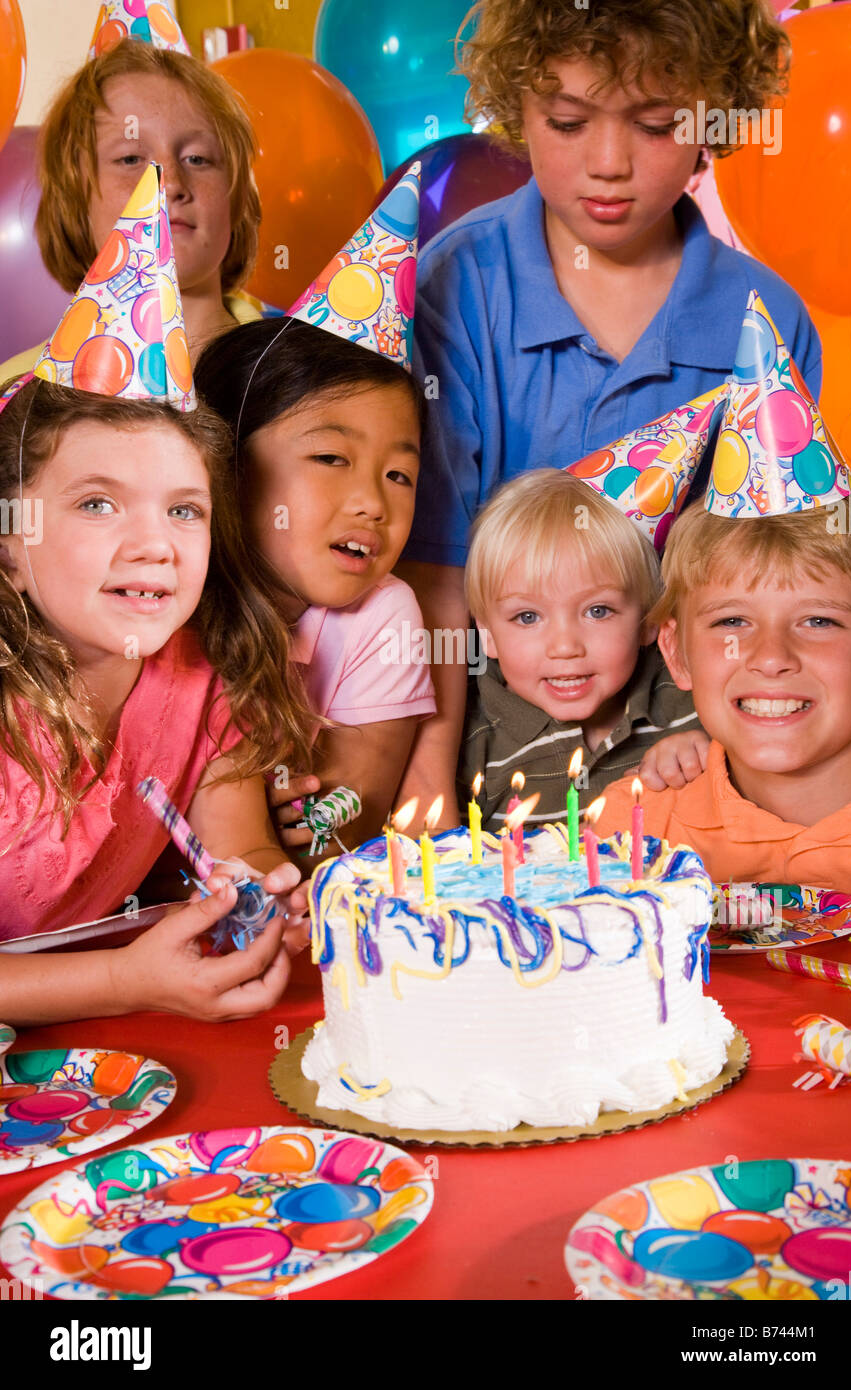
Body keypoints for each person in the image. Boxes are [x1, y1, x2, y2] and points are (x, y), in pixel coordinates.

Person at [396, 0, 822, 829]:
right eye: (567, 120)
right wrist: (427, 766)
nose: (608, 163)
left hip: (694, 730)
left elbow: (773, 578)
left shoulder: (766, 317)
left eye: (656, 124)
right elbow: (437, 575)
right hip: (492, 715)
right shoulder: (460, 285)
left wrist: (722, 744)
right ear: (518, 105)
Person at [0, 377, 313, 1026]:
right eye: (96, 504)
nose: (155, 544)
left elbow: (241, 850)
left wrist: (263, 896)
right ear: (8, 548)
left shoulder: (204, 677)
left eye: (183, 510)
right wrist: (123, 979)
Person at [195, 317, 436, 860]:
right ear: (224, 463)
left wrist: (301, 821)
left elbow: (339, 836)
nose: (374, 503)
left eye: (400, 475)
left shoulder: (384, 614)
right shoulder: (162, 595)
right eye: (331, 458)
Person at [595, 498, 851, 892]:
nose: (771, 658)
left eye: (819, 620)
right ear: (676, 652)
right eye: (732, 621)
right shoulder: (631, 832)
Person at [0, 38, 262, 381]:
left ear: (236, 193)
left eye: (197, 158)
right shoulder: (17, 397)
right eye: (130, 159)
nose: (169, 184)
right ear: (75, 197)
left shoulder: (309, 375)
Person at [458, 469, 704, 825]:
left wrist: (707, 759)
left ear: (650, 619)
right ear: (487, 634)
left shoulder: (689, 701)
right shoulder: (471, 743)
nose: (564, 647)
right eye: (527, 617)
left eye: (597, 611)